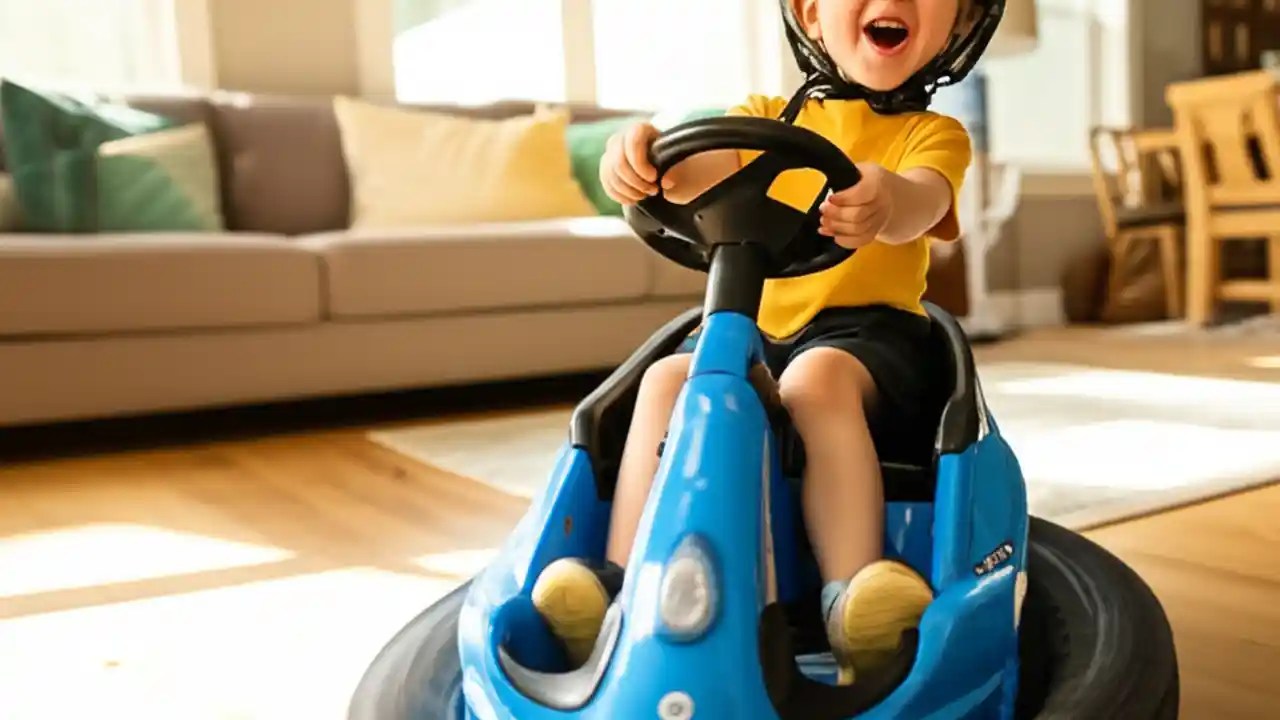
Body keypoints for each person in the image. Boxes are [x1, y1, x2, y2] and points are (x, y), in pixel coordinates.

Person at [531, 0, 1003, 686]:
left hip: (875, 342)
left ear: (957, 25)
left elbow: (923, 203)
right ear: (811, 13)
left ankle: (855, 599)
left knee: (815, 381)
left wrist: (887, 201)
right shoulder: (763, 117)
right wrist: (631, 159)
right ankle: (620, 587)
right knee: (668, 382)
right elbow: (680, 171)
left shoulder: (936, 133)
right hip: (757, 332)